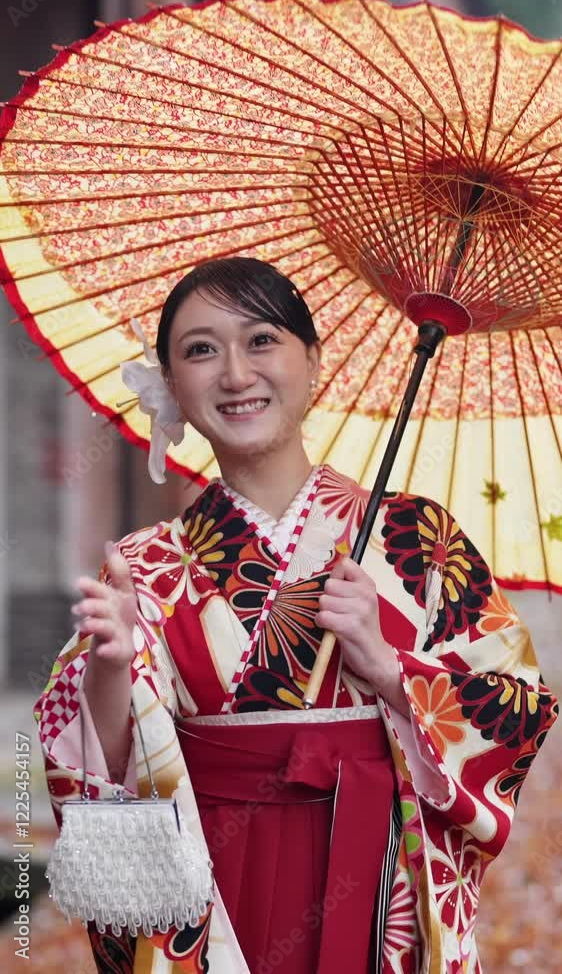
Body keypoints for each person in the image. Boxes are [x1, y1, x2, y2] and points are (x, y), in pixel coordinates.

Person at [34, 257, 558, 974]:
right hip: (214, 890)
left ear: (312, 361)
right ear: (173, 389)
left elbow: (517, 710)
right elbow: (91, 758)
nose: (236, 374)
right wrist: (113, 669)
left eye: (261, 341)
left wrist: (388, 665)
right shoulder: (143, 564)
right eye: (200, 350)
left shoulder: (417, 538)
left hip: (378, 880)